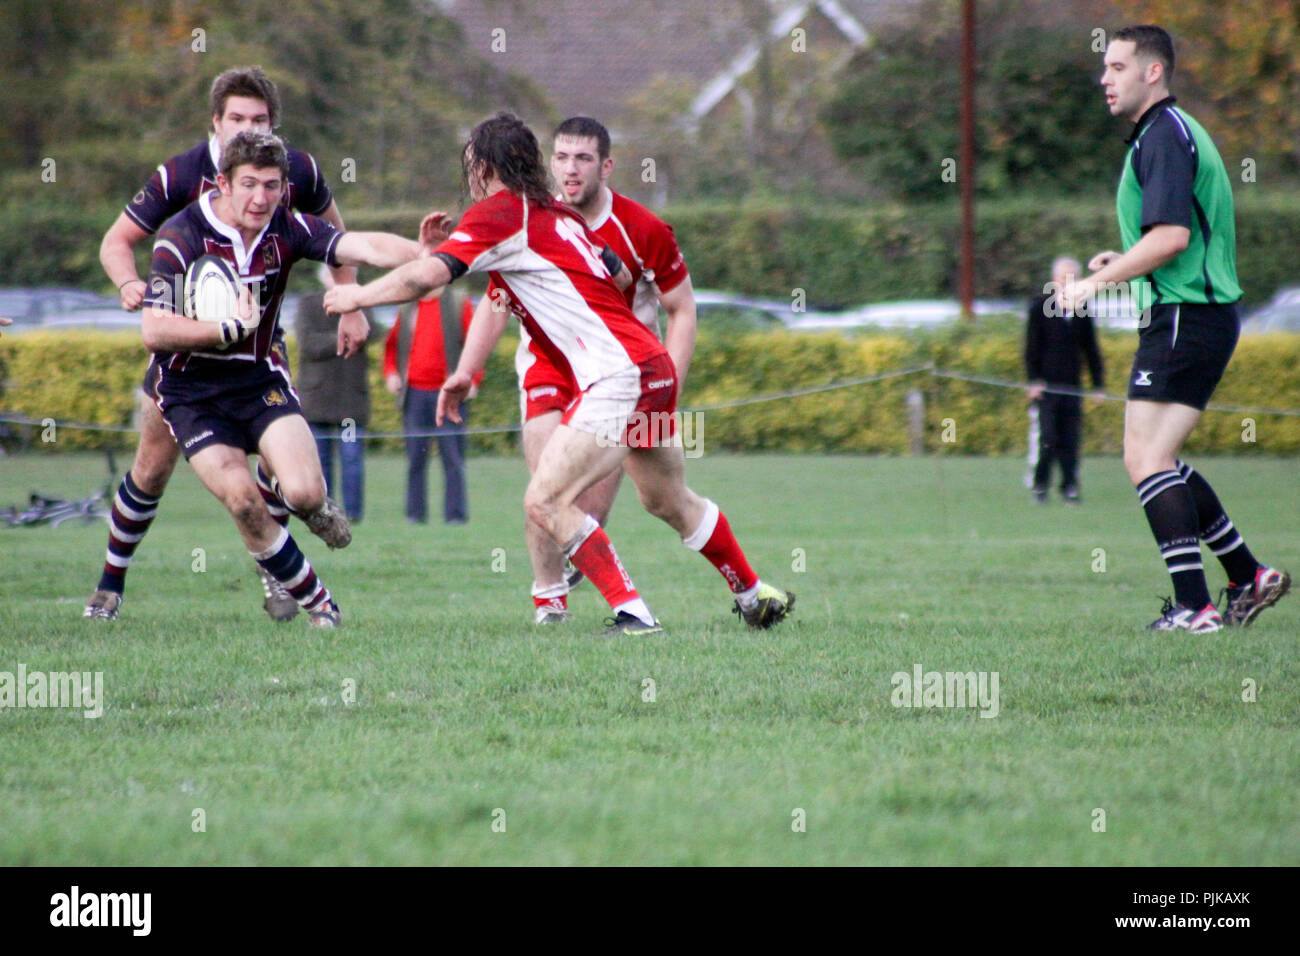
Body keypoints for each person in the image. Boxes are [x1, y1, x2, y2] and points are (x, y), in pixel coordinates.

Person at [325, 112, 793, 636]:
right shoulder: (559, 217)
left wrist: (357, 294)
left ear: (481, 167)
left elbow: (427, 280)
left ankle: (632, 614)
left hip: (620, 378)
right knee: (667, 499)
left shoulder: (500, 212)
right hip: (652, 369)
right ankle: (753, 596)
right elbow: (612, 273)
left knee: (544, 501)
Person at [86, 66, 369, 623]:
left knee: (281, 464)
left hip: (258, 349)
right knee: (151, 469)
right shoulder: (182, 174)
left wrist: (350, 298)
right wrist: (129, 284)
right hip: (184, 358)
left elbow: (338, 236)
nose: (247, 128)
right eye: (236, 119)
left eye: (259, 120)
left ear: (274, 126)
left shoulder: (291, 169)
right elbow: (117, 240)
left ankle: (277, 571)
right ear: (215, 123)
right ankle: (110, 583)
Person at [140, 130, 435, 628]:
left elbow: (356, 245)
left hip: (259, 381)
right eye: (250, 184)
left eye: (272, 185)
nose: (261, 198)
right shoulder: (181, 237)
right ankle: (322, 605)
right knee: (242, 501)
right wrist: (223, 329)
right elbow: (154, 328)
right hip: (192, 393)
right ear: (222, 184)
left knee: (302, 493)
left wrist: (421, 254)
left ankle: (311, 507)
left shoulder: (287, 227)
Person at [1062, 25, 1289, 631]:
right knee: (1158, 458)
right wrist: (1123, 259)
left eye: (1115, 67)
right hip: (1198, 314)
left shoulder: (1162, 134)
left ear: (1153, 72)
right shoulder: (1171, 133)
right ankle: (1247, 575)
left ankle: (1195, 606)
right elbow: (1170, 238)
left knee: (1146, 457)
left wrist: (1091, 285)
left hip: (1187, 317)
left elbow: (1172, 238)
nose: (1104, 79)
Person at [509, 116, 699, 623]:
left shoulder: (643, 228)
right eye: (562, 158)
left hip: (630, 378)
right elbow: (494, 299)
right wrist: (465, 372)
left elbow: (681, 308)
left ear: (607, 166)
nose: (570, 170)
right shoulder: (531, 224)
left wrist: (670, 389)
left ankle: (748, 590)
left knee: (660, 500)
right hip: (549, 369)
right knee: (545, 492)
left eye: (583, 159)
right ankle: (550, 602)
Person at [383, 285, 479, 524]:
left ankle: (455, 516)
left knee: (453, 457)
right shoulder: (407, 305)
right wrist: (391, 373)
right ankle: (414, 516)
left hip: (450, 395)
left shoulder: (458, 301)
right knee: (415, 457)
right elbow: (392, 345)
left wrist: (473, 380)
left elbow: (475, 343)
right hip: (414, 394)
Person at [1025, 256, 1105, 504]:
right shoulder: (1039, 308)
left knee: (1070, 439)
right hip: (1046, 387)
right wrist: (1033, 380)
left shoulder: (1082, 310)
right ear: (1054, 280)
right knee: (1048, 437)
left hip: (1073, 387)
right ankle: (1040, 485)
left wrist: (1098, 385)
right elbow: (1031, 347)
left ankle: (1069, 487)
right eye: (1063, 278)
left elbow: (1091, 350)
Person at [297, 267, 371, 523]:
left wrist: (353, 317)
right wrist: (343, 338)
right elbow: (308, 344)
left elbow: (372, 333)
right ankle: (323, 514)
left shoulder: (362, 302)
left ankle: (353, 515)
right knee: (320, 462)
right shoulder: (308, 304)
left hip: (350, 403)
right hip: (317, 402)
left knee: (352, 461)